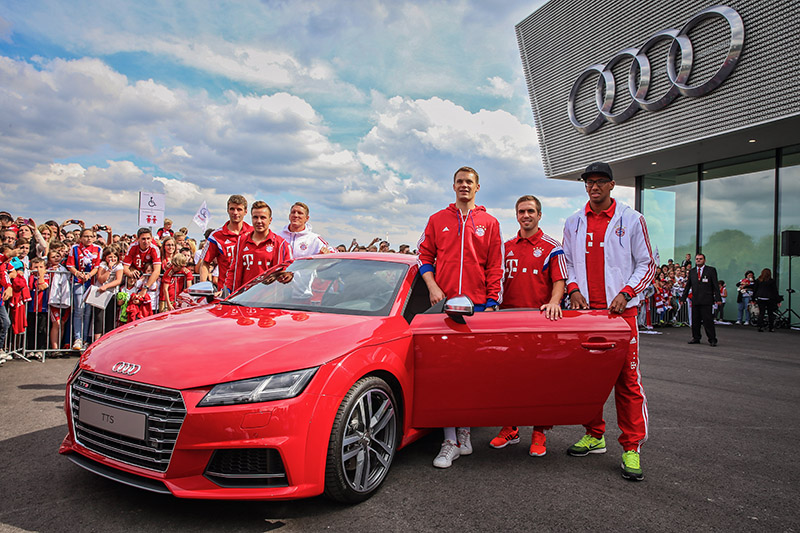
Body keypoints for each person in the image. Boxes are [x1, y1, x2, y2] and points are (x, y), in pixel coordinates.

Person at [561, 161, 657, 481]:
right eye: (589, 182)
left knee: (627, 381)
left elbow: (647, 264)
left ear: (612, 185)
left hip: (621, 315)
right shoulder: (574, 221)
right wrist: (574, 289)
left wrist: (627, 293)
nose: (594, 187)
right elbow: (567, 263)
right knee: (590, 380)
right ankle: (595, 434)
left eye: (600, 181)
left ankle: (632, 447)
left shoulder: (631, 219)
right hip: (587, 315)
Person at [417, 166, 504, 468]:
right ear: (453, 186)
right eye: (459, 181)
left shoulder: (490, 223)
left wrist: (491, 303)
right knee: (445, 374)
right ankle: (449, 441)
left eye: (469, 182)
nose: (464, 185)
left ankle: (464, 433)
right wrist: (433, 286)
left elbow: (495, 266)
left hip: (476, 307)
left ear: (477, 187)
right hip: (445, 307)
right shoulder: (437, 219)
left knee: (469, 375)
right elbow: (424, 256)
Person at [490, 195, 566, 456]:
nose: (526, 215)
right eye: (522, 211)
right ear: (516, 215)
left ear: (539, 215)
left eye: (531, 211)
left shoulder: (552, 247)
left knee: (539, 381)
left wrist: (554, 302)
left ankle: (539, 432)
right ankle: (510, 428)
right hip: (508, 322)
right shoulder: (506, 247)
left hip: (539, 323)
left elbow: (559, 281)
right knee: (508, 379)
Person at [226, 201, 293, 292]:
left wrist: (287, 276)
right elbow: (233, 271)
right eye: (255, 217)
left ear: (270, 220)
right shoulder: (241, 241)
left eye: (263, 217)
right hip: (244, 297)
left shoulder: (281, 244)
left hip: (268, 298)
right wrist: (228, 291)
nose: (259, 221)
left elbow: (289, 272)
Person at [199, 195, 252, 292]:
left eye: (239, 209)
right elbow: (205, 263)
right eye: (232, 209)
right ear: (227, 210)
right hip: (226, 292)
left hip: (250, 291)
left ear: (245, 212)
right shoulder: (216, 236)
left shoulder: (253, 233)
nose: (235, 212)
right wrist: (202, 289)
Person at [65, 228, 102, 350]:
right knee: (78, 310)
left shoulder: (98, 249)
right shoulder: (75, 248)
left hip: (90, 282)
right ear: (80, 238)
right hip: (78, 282)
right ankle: (77, 338)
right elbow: (70, 265)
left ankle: (85, 339)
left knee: (88, 312)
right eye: (86, 236)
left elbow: (97, 266)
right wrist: (77, 273)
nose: (89, 238)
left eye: (91, 236)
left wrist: (89, 275)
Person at [681, 253, 721, 346]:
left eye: (700, 259)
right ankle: (696, 337)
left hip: (706, 300)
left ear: (704, 260)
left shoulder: (711, 270)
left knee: (708, 321)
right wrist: (683, 298)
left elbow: (715, 285)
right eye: (697, 259)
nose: (698, 260)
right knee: (695, 320)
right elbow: (688, 286)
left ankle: (712, 339)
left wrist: (718, 298)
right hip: (695, 299)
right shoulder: (692, 271)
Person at [122, 228, 162, 301]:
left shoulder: (154, 249)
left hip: (148, 279)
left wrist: (145, 288)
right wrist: (131, 273)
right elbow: (125, 267)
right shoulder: (133, 247)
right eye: (143, 239)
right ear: (138, 239)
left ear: (151, 238)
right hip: (136, 279)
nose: (146, 241)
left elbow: (157, 271)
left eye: (148, 238)